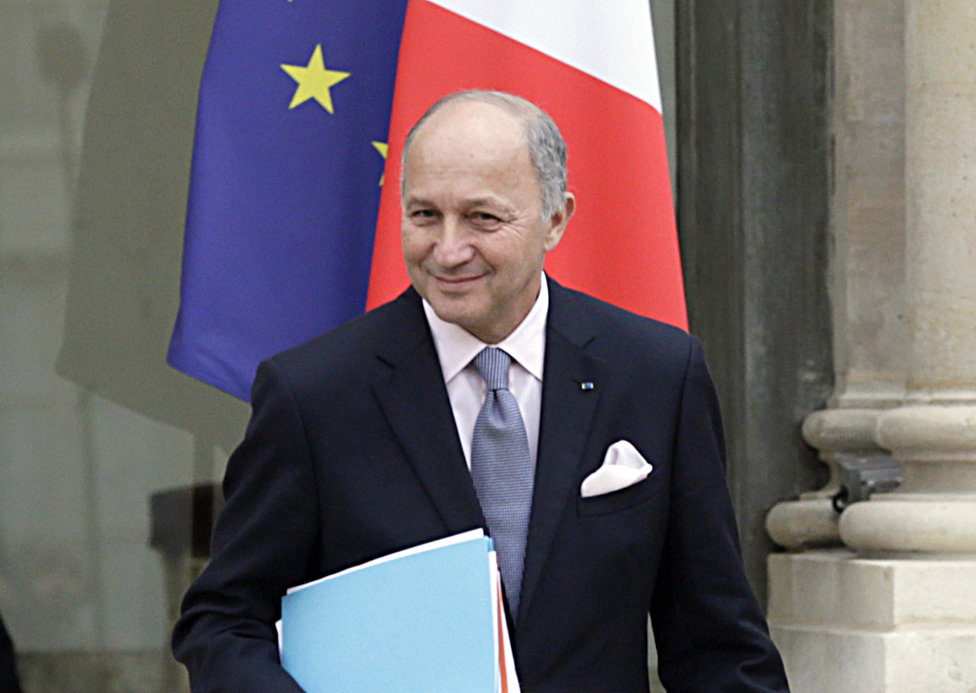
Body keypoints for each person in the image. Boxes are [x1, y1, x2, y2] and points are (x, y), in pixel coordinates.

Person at [173, 90, 790, 693]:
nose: (447, 250)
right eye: (424, 215)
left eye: (482, 217)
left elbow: (717, 646)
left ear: (556, 219)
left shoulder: (656, 373)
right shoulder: (313, 395)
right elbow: (224, 622)